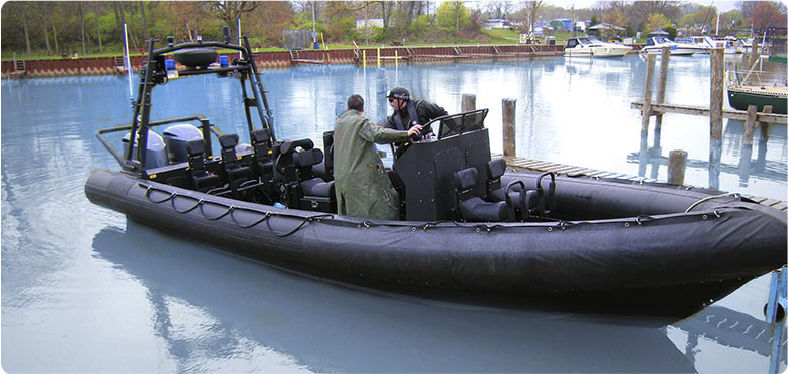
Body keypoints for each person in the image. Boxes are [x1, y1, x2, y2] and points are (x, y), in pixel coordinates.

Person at [334, 94, 422, 220]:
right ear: (363, 109)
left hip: (341, 176)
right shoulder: (361, 122)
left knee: (348, 207)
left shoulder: (339, 123)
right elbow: (379, 134)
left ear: (348, 107)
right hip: (359, 177)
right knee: (385, 197)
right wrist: (406, 133)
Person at [383, 87, 448, 134]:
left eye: (391, 100)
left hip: (428, 144)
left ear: (400, 100)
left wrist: (446, 134)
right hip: (408, 147)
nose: (391, 103)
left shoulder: (421, 106)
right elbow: (383, 132)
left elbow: (443, 114)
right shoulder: (394, 118)